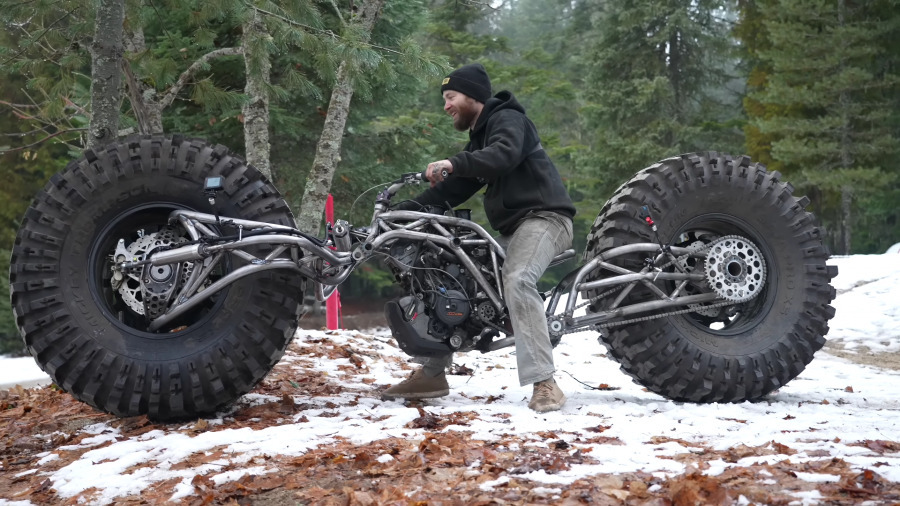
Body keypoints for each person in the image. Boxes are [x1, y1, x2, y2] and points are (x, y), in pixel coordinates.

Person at [380, 63, 576, 413]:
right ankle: (433, 372)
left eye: (450, 96)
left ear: (473, 96)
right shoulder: (481, 138)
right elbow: (455, 190)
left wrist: (455, 162)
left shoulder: (509, 120)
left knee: (518, 279)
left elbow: (503, 155)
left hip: (546, 219)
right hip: (514, 231)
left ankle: (545, 382)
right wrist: (405, 212)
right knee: (446, 275)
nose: (446, 105)